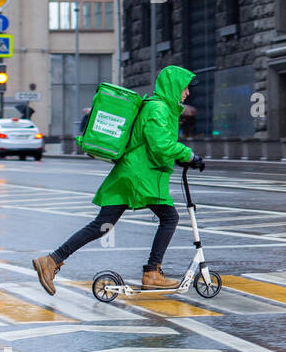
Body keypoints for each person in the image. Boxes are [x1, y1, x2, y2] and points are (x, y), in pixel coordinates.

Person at [33, 65, 205, 295]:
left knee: (102, 225)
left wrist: (179, 158)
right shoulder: (158, 109)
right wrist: (189, 155)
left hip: (133, 174)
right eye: (184, 88)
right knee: (169, 217)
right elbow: (160, 144)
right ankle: (152, 272)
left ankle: (52, 260)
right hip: (141, 177)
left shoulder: (159, 107)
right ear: (174, 87)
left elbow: (155, 146)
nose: (187, 93)